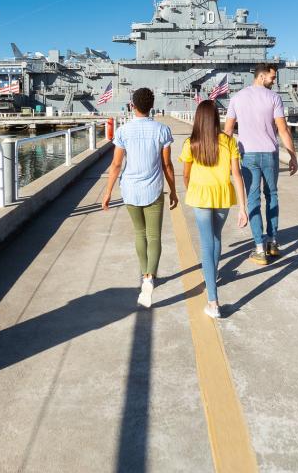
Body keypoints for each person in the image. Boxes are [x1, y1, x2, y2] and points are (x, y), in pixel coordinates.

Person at [102, 87, 177, 308]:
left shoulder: (123, 131)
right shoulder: (162, 130)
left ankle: (144, 275)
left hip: (130, 190)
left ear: (132, 106)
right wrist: (173, 190)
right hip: (153, 189)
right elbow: (167, 165)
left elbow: (116, 164)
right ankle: (149, 278)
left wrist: (107, 192)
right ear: (152, 106)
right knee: (154, 236)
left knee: (139, 233)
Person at [223, 62, 298, 266]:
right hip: (270, 154)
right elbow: (283, 130)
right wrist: (293, 156)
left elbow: (228, 130)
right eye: (272, 77)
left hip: (247, 155)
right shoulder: (274, 98)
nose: (274, 81)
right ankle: (273, 243)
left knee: (253, 200)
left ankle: (259, 248)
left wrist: (222, 155)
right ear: (261, 76)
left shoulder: (237, 98)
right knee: (272, 196)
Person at [180, 100, 248, 319]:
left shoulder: (191, 143)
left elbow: (186, 174)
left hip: (200, 195)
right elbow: (236, 174)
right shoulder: (229, 142)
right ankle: (213, 274)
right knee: (216, 238)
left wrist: (190, 189)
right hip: (222, 194)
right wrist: (243, 208)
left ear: (199, 118)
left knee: (206, 243)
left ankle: (213, 301)